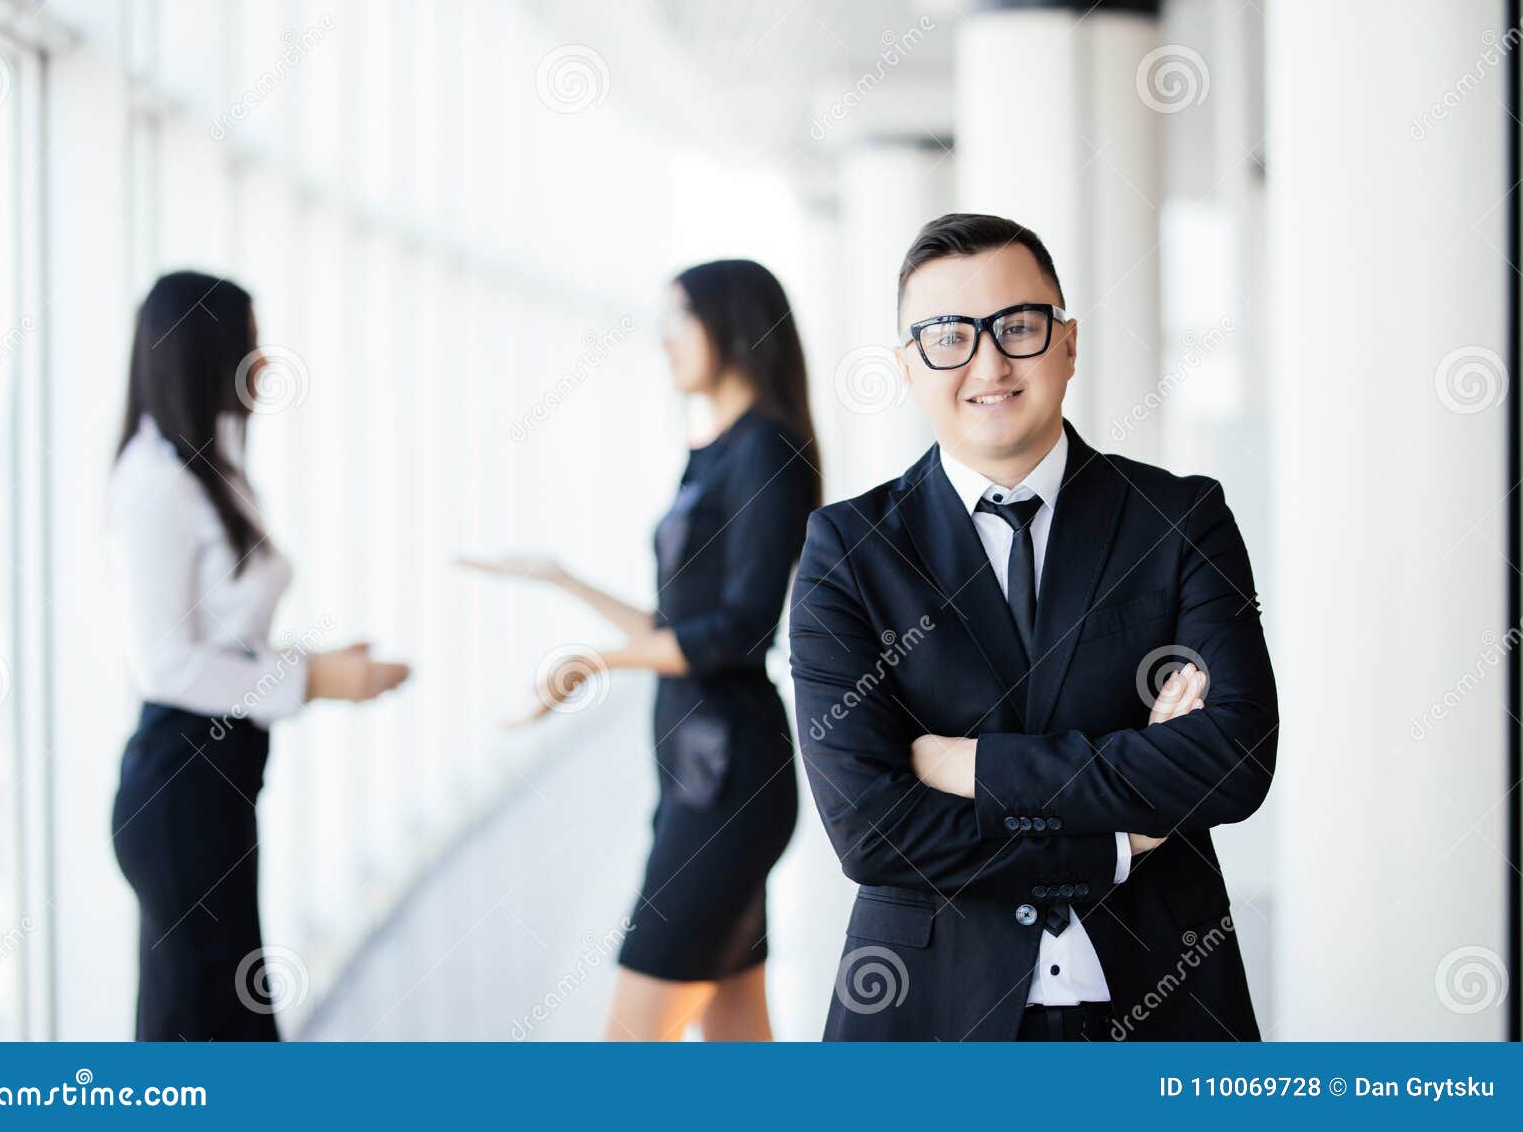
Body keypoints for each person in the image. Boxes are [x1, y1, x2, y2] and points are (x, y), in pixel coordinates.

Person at [788, 214, 1279, 1041]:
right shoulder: (848, 550)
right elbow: (871, 827)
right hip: (930, 1010)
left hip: (1165, 994)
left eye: (1018, 326)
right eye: (950, 336)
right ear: (908, 366)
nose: (989, 364)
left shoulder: (1179, 518)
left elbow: (1233, 759)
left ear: (1068, 342)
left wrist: (969, 764)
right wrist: (1116, 841)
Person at [461, 259, 820, 1040]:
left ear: (731, 324)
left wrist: (596, 660)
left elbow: (740, 631)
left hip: (728, 779)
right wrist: (561, 578)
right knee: (738, 1034)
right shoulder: (717, 449)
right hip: (697, 773)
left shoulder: (765, 448)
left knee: (630, 1042)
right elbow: (676, 627)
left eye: (678, 321)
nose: (664, 343)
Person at [109, 271, 411, 1041]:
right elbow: (166, 664)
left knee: (227, 1014)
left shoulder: (206, 466)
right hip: (178, 784)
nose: (265, 361)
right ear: (204, 352)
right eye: (249, 342)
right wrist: (313, 678)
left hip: (219, 779)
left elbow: (222, 637)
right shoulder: (154, 483)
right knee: (200, 1025)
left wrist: (313, 662)